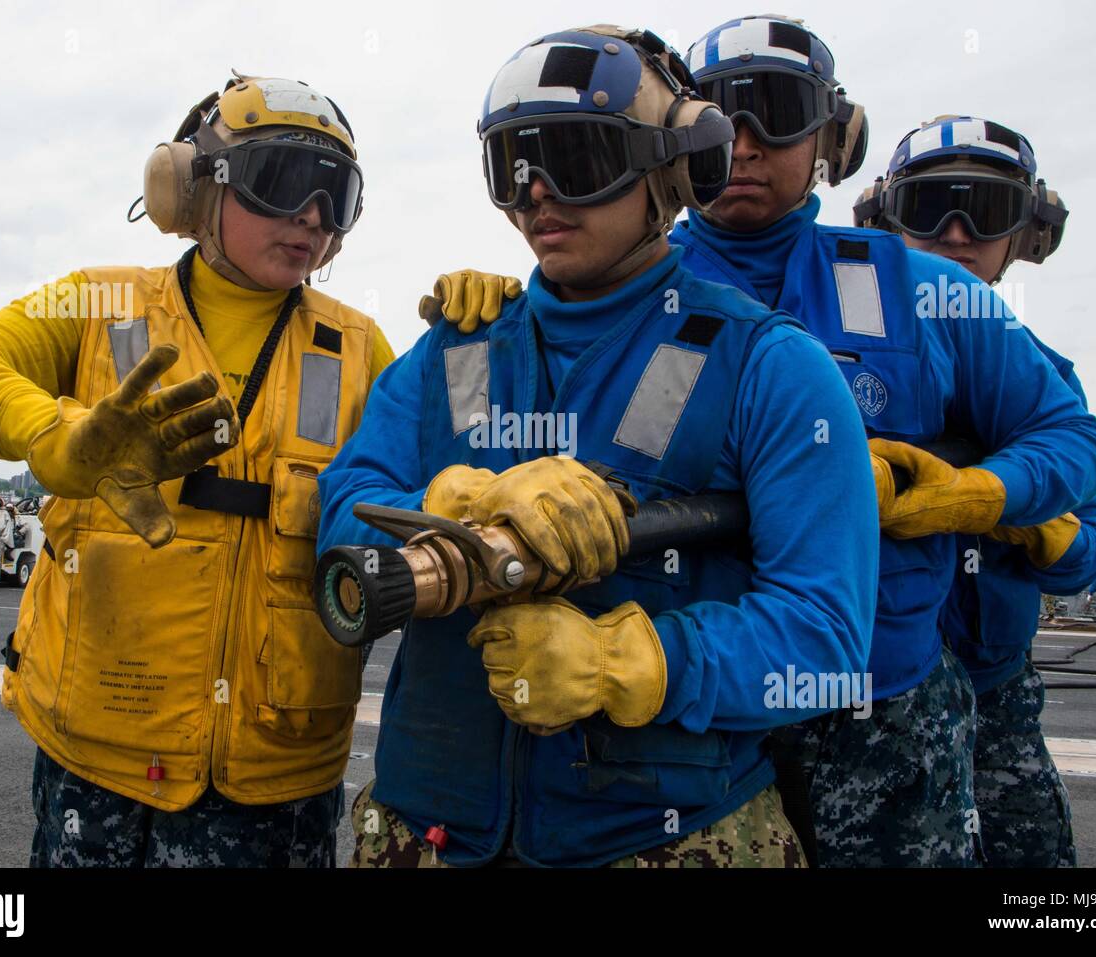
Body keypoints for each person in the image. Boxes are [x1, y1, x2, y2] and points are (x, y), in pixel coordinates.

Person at [316, 24, 878, 868]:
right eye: (514, 165)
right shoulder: (456, 350)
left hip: (662, 841)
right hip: (426, 835)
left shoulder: (768, 365)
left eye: (575, 160)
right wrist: (446, 504)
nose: (539, 194)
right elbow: (342, 510)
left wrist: (630, 663)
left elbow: (828, 642)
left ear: (670, 168)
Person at [0, 74, 400, 867]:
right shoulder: (102, 302)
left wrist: (475, 340)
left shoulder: (359, 347)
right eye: (281, 180)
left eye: (334, 194)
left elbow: (443, 469)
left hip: (276, 776)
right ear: (191, 188)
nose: (311, 216)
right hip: (101, 764)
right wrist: (56, 435)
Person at [665, 15, 1096, 866]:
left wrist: (982, 493)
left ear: (832, 138)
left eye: (777, 112)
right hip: (701, 717)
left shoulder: (923, 289)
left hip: (891, 722)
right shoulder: (628, 299)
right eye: (719, 118)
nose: (746, 143)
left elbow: (1069, 434)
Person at [855, 115, 1096, 867]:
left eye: (985, 210)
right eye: (931, 206)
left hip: (995, 694)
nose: (957, 234)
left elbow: (1085, 557)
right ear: (889, 220)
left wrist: (1033, 522)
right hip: (869, 702)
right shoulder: (832, 355)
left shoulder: (1047, 386)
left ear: (1026, 233)